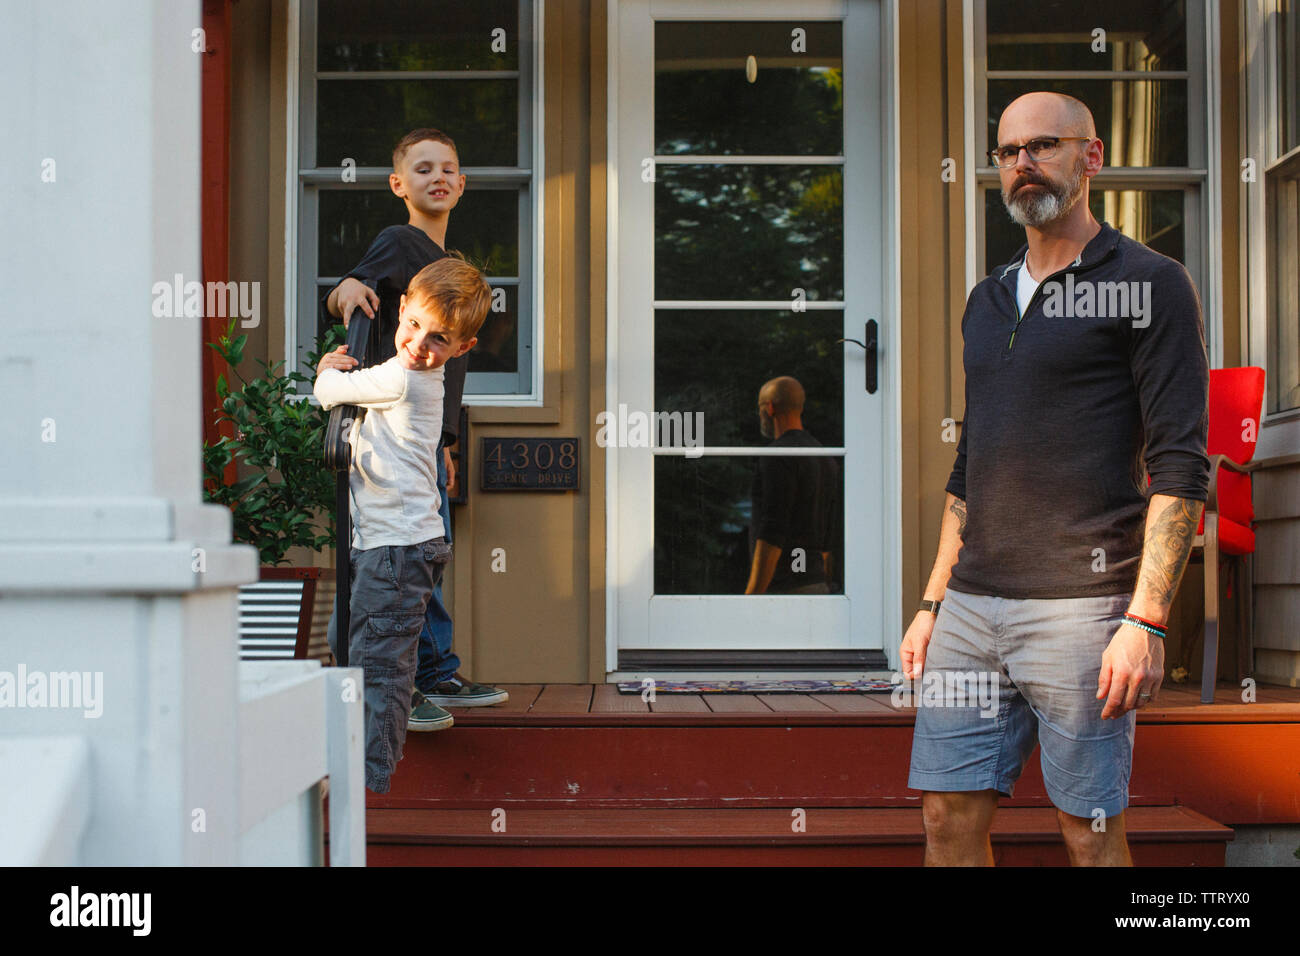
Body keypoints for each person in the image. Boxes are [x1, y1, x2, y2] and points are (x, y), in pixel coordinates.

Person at [901, 91, 1209, 865]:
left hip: (1082, 610)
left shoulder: (1149, 282)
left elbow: (1181, 465)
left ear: (1091, 156)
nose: (1023, 165)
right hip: (971, 612)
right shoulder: (987, 298)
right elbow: (971, 463)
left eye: (1043, 146)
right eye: (1008, 152)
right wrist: (934, 600)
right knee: (945, 816)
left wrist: (1145, 622)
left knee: (1088, 829)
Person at [325, 128, 509, 732]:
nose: (438, 176)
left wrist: (448, 443)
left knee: (422, 556)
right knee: (395, 560)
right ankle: (391, 680)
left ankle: (433, 672)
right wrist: (343, 292)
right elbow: (353, 292)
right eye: (423, 168)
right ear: (399, 184)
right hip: (389, 438)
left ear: (462, 183)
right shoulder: (398, 242)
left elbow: (450, 374)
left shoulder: (451, 271)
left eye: (448, 168)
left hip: (425, 439)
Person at [315, 255, 491, 793]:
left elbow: (329, 394)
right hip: (402, 544)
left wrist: (327, 367)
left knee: (379, 669)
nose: (419, 344)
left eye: (439, 339)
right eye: (413, 325)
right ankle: (359, 760)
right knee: (350, 641)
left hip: (395, 548)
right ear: (401, 309)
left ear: (461, 350)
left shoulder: (402, 379)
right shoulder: (419, 375)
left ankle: (369, 782)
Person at [744, 376, 838, 595]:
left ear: (769, 408)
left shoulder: (778, 457)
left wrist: (751, 597)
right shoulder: (826, 459)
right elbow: (827, 540)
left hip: (783, 590)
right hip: (817, 585)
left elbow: (772, 533)